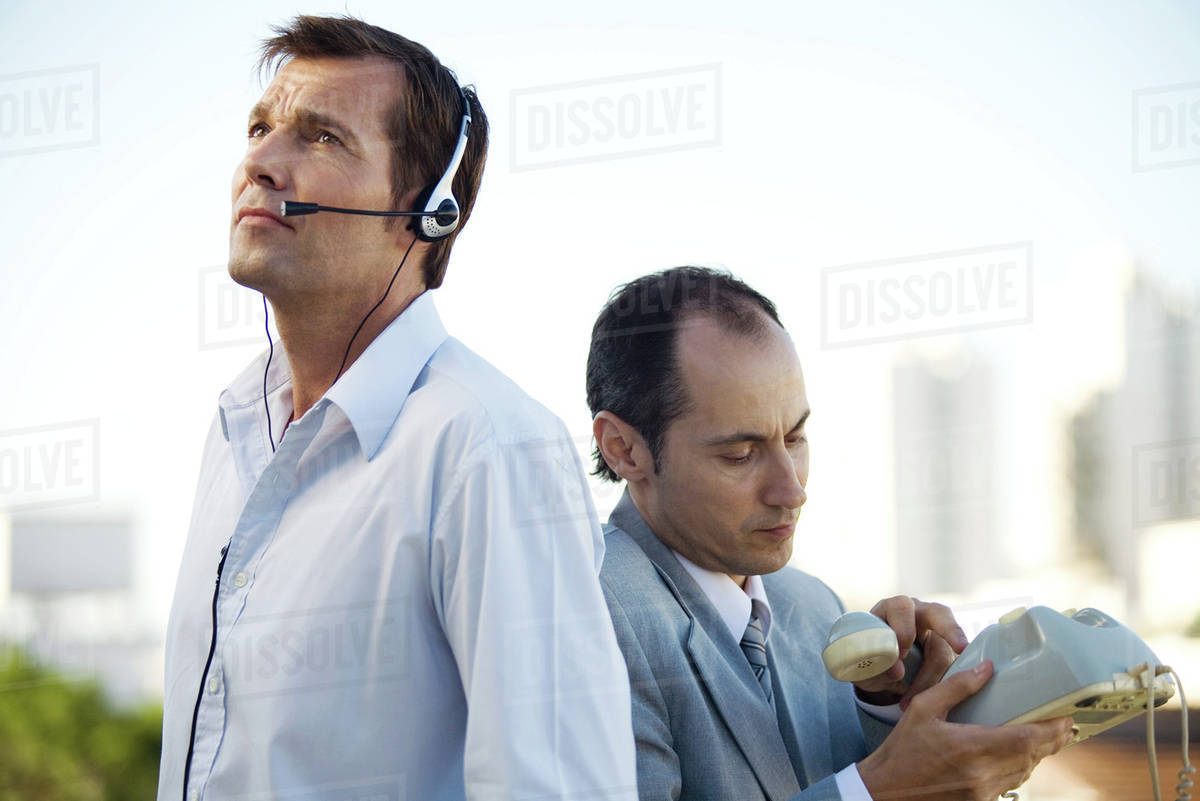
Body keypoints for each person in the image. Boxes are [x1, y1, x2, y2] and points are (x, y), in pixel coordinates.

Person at [157, 16, 635, 801]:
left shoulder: (489, 445)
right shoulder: (236, 427)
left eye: (319, 138)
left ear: (430, 210)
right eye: (259, 128)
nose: (260, 163)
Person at [587, 266, 1074, 801]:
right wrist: (884, 789)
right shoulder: (586, 617)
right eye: (739, 455)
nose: (791, 490)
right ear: (623, 449)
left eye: (795, 438)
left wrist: (893, 707)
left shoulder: (817, 607)